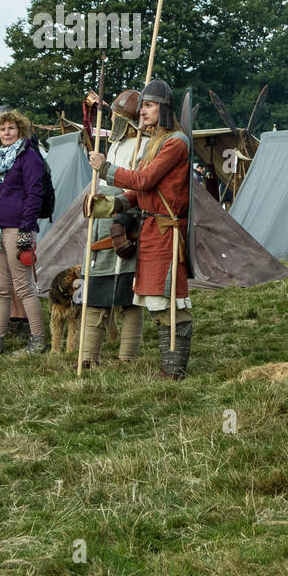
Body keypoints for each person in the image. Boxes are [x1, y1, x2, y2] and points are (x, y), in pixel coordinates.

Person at [85, 80, 192, 380]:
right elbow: (140, 192)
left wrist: (105, 169)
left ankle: (174, 369)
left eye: (149, 105)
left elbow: (144, 179)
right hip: (151, 229)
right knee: (157, 301)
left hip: (166, 230)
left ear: (164, 108)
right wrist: (112, 205)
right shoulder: (157, 141)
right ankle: (169, 366)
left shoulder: (175, 142)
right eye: (142, 106)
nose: (142, 111)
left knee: (169, 300)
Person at [76, 89, 146, 368]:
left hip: (126, 225)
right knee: (95, 294)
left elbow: (139, 188)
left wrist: (125, 222)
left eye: (121, 117)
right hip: (100, 227)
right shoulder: (114, 146)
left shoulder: (145, 146)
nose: (116, 122)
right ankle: (88, 358)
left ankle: (126, 358)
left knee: (129, 299)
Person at [0, 109, 48, 357]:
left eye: (11, 128)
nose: (6, 132)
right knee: (1, 290)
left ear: (20, 130)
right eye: (2, 129)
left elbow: (34, 194)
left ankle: (38, 340)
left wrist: (26, 229)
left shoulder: (29, 157)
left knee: (24, 287)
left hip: (17, 228)